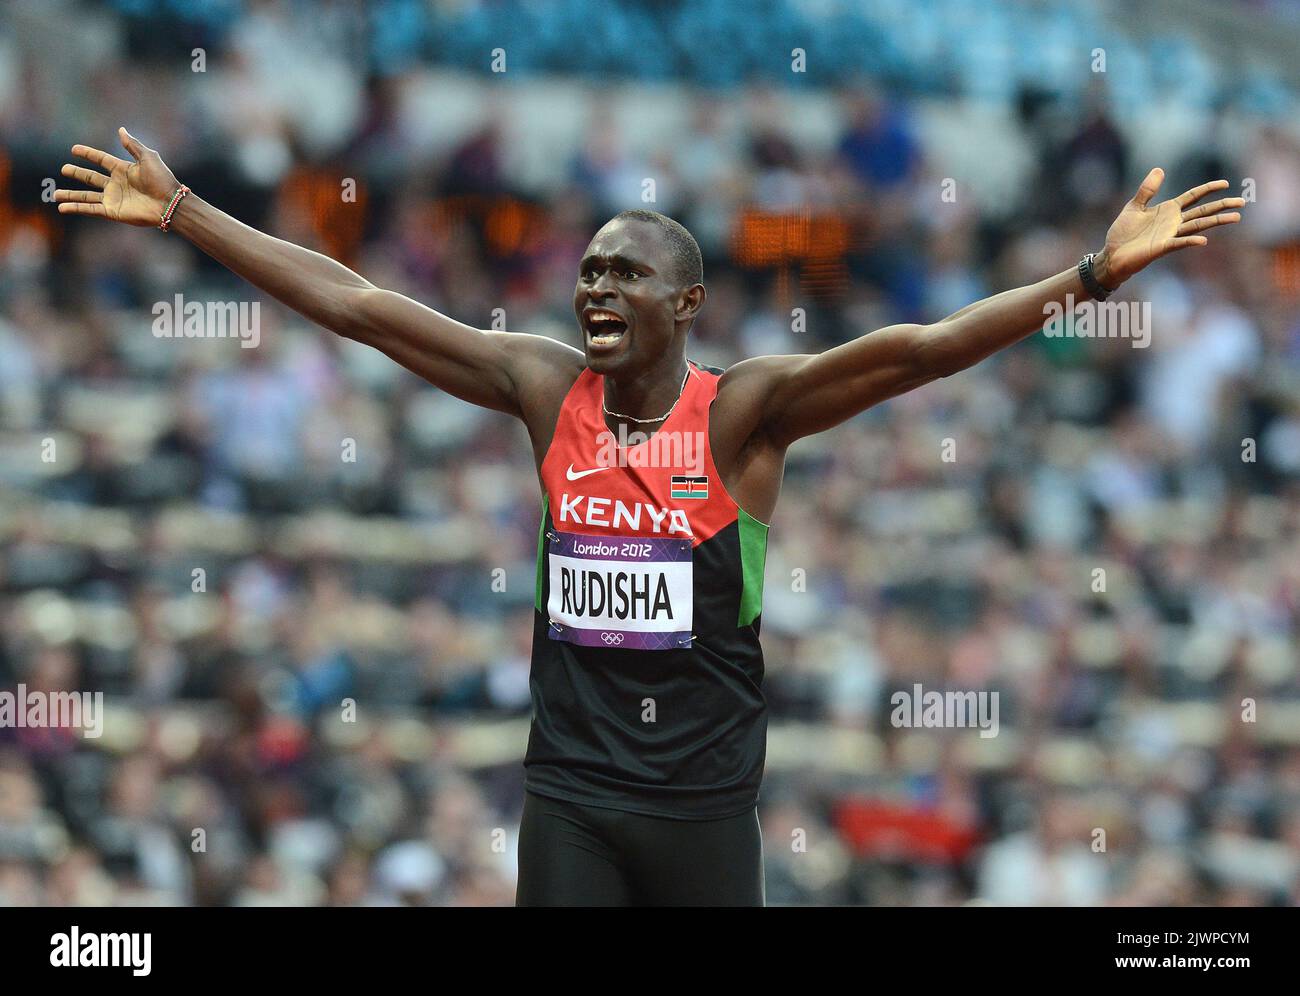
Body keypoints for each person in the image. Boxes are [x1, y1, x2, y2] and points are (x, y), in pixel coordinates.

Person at [55, 127, 1243, 906]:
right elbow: (362, 306)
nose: (593, 288)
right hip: (571, 793)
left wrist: (1084, 278)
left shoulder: (747, 417)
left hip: (704, 810)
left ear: (686, 303)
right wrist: (187, 214)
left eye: (623, 274)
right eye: (586, 271)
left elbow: (922, 350)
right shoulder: (539, 387)